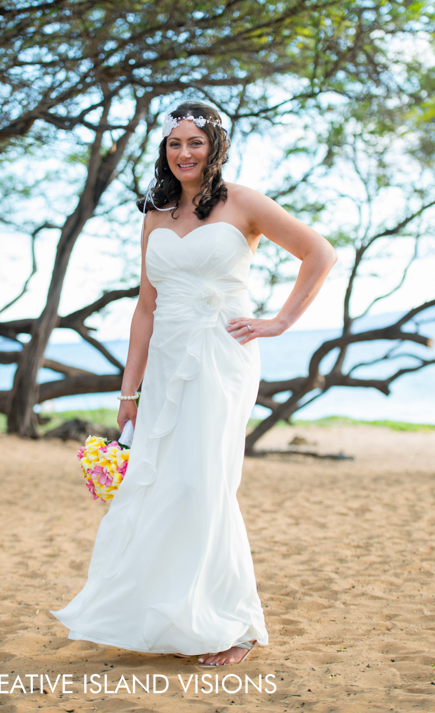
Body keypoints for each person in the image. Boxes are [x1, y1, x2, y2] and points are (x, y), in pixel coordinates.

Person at [50, 101, 337, 667]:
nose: (184, 153)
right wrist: (128, 392)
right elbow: (145, 309)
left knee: (204, 482)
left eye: (195, 143)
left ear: (215, 148)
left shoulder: (243, 203)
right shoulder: (155, 215)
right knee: (163, 485)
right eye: (175, 143)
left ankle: (235, 624)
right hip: (164, 362)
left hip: (220, 357)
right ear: (165, 150)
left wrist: (278, 323)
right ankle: (167, 614)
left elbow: (319, 253)